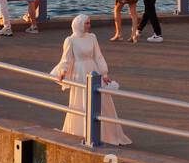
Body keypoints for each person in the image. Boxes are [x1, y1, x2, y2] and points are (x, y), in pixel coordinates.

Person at [51, 15, 130, 146]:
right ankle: (82, 131)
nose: (89, 26)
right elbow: (67, 59)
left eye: (89, 23)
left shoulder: (92, 37)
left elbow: (98, 56)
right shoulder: (70, 40)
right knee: (82, 101)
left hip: (93, 69)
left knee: (101, 101)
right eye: (86, 24)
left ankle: (106, 133)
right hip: (80, 72)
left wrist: (104, 73)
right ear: (79, 25)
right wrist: (63, 72)